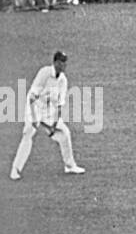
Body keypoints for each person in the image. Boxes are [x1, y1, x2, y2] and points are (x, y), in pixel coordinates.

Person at [9, 51, 85, 179]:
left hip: (48, 111)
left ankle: (70, 166)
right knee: (28, 132)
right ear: (55, 62)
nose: (63, 65)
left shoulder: (63, 80)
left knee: (65, 133)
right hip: (34, 106)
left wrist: (54, 125)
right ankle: (15, 169)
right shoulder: (44, 73)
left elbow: (60, 105)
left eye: (65, 62)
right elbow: (32, 97)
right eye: (61, 62)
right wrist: (33, 119)